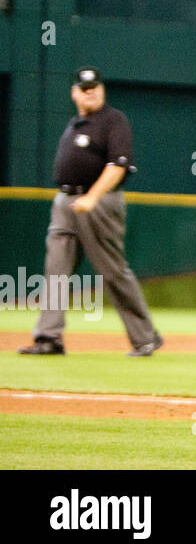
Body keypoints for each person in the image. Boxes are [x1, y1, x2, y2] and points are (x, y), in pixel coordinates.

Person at [18, 67, 163, 357]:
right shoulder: (75, 124)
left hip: (99, 202)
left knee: (112, 271)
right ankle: (49, 337)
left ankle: (145, 337)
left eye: (95, 87)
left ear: (102, 90)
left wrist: (93, 198)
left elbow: (117, 165)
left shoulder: (113, 120)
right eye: (85, 88)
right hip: (66, 202)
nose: (91, 91)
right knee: (55, 270)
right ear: (75, 93)